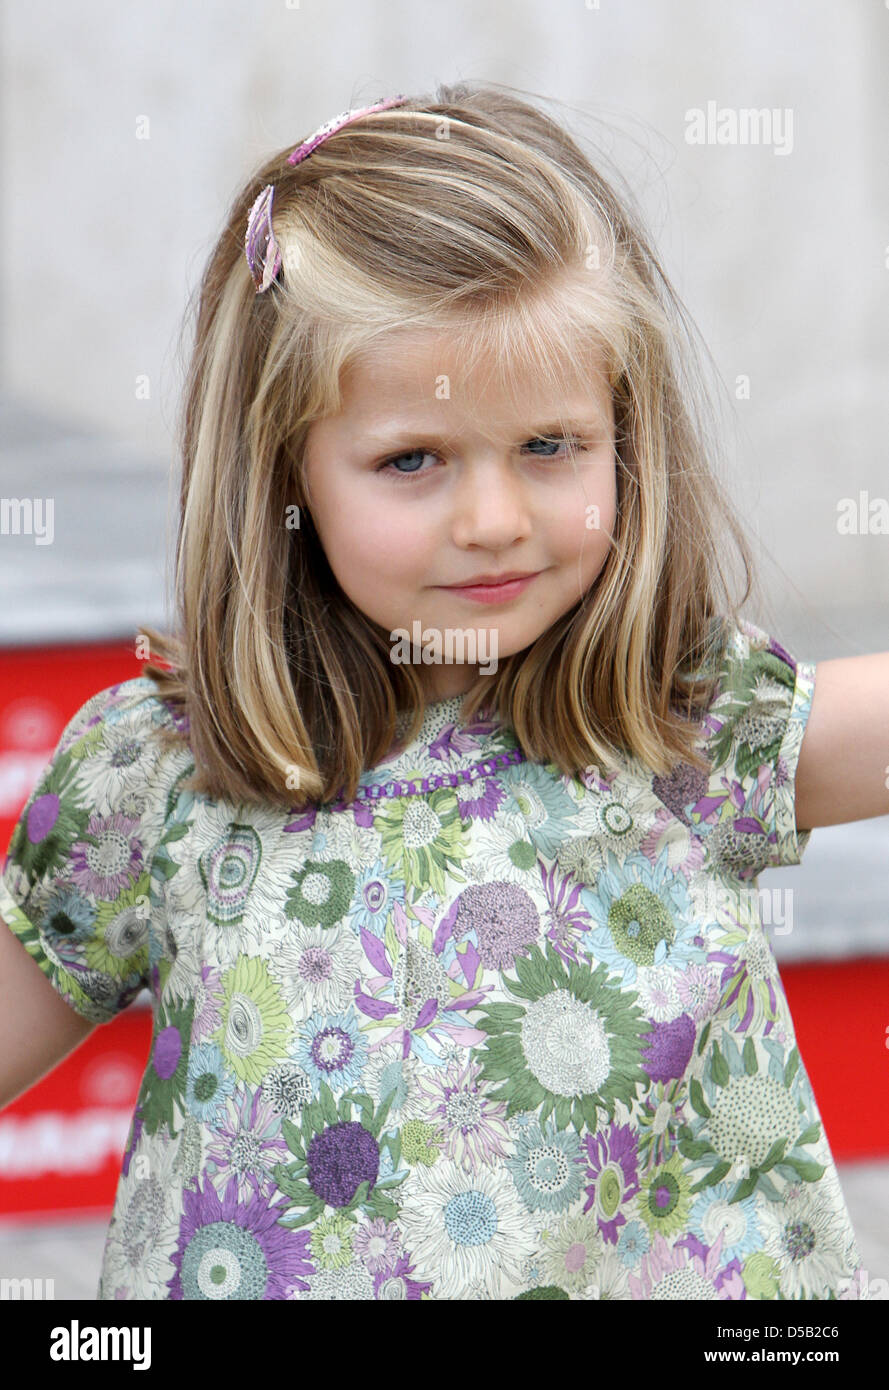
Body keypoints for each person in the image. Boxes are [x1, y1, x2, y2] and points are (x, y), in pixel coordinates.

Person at [0, 81, 883, 1301]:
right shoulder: (161, 776)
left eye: (550, 446)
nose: (492, 520)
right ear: (282, 470)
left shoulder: (679, 724)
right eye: (411, 460)